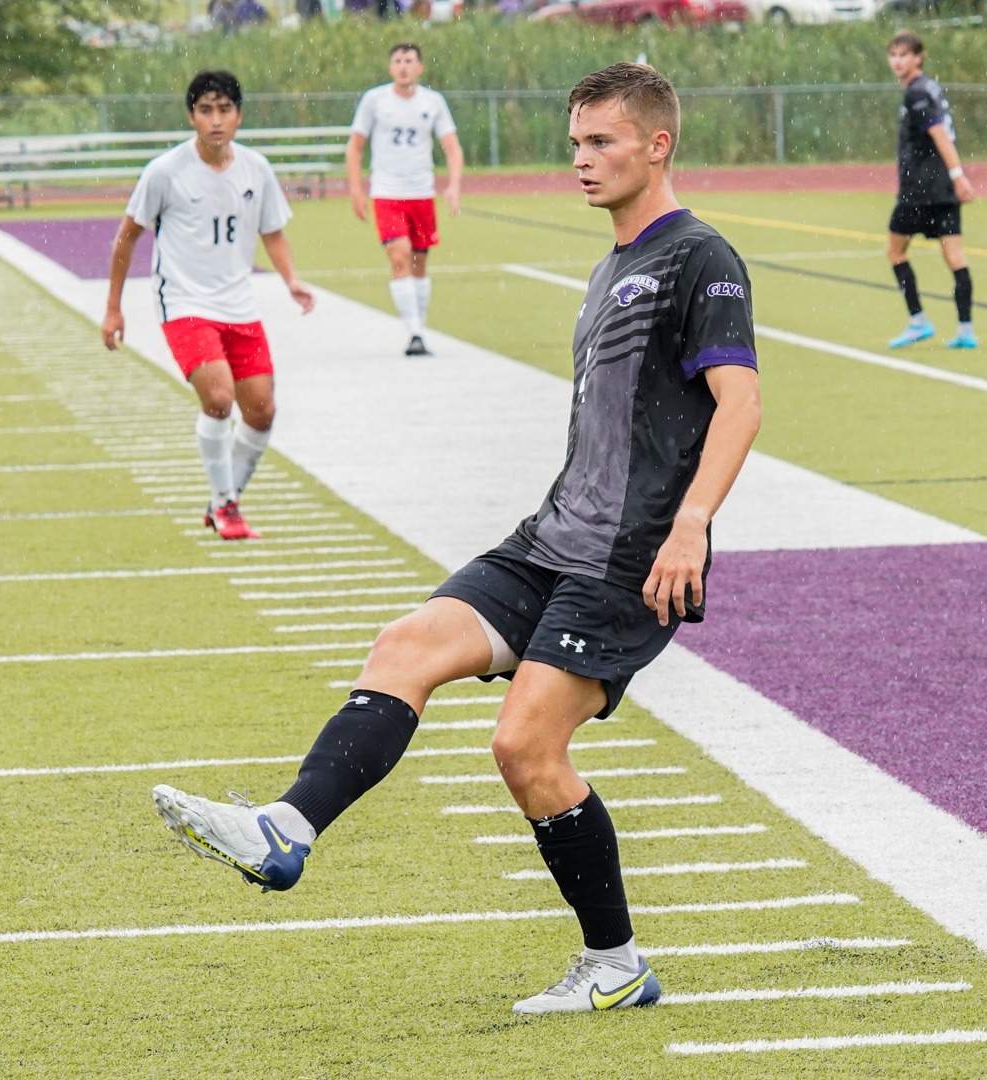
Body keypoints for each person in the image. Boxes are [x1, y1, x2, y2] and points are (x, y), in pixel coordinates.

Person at [153, 62, 763, 1016]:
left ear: (658, 144)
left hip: (630, 559)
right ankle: (285, 829)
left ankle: (615, 965)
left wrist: (690, 527)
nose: (582, 160)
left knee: (524, 746)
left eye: (601, 142)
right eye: (575, 144)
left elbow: (742, 402)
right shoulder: (611, 264)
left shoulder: (700, 258)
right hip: (552, 538)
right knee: (405, 645)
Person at [100, 70, 316, 541]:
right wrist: (114, 307)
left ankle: (226, 498)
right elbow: (127, 236)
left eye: (224, 110)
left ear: (239, 115)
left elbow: (272, 232)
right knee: (218, 398)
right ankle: (225, 506)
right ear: (191, 115)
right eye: (205, 110)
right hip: (184, 303)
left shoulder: (256, 169)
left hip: (239, 306)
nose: (215, 120)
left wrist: (291, 279)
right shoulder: (164, 172)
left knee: (261, 412)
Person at [347, 43, 463, 357]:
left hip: (421, 193)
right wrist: (356, 188)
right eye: (397, 60)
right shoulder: (375, 100)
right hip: (387, 192)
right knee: (399, 257)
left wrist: (453, 185)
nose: (403, 66)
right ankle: (414, 334)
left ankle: (419, 327)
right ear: (390, 67)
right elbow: (355, 146)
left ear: (420, 67)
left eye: (409, 61)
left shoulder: (433, 102)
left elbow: (452, 147)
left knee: (419, 264)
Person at [883, 30, 979, 350]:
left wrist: (958, 173)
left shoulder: (916, 93)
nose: (897, 61)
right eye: (894, 55)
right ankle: (966, 329)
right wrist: (954, 178)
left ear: (918, 57)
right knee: (954, 257)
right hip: (942, 190)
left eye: (904, 55)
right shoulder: (930, 88)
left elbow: (939, 134)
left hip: (920, 189)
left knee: (895, 252)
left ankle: (918, 321)